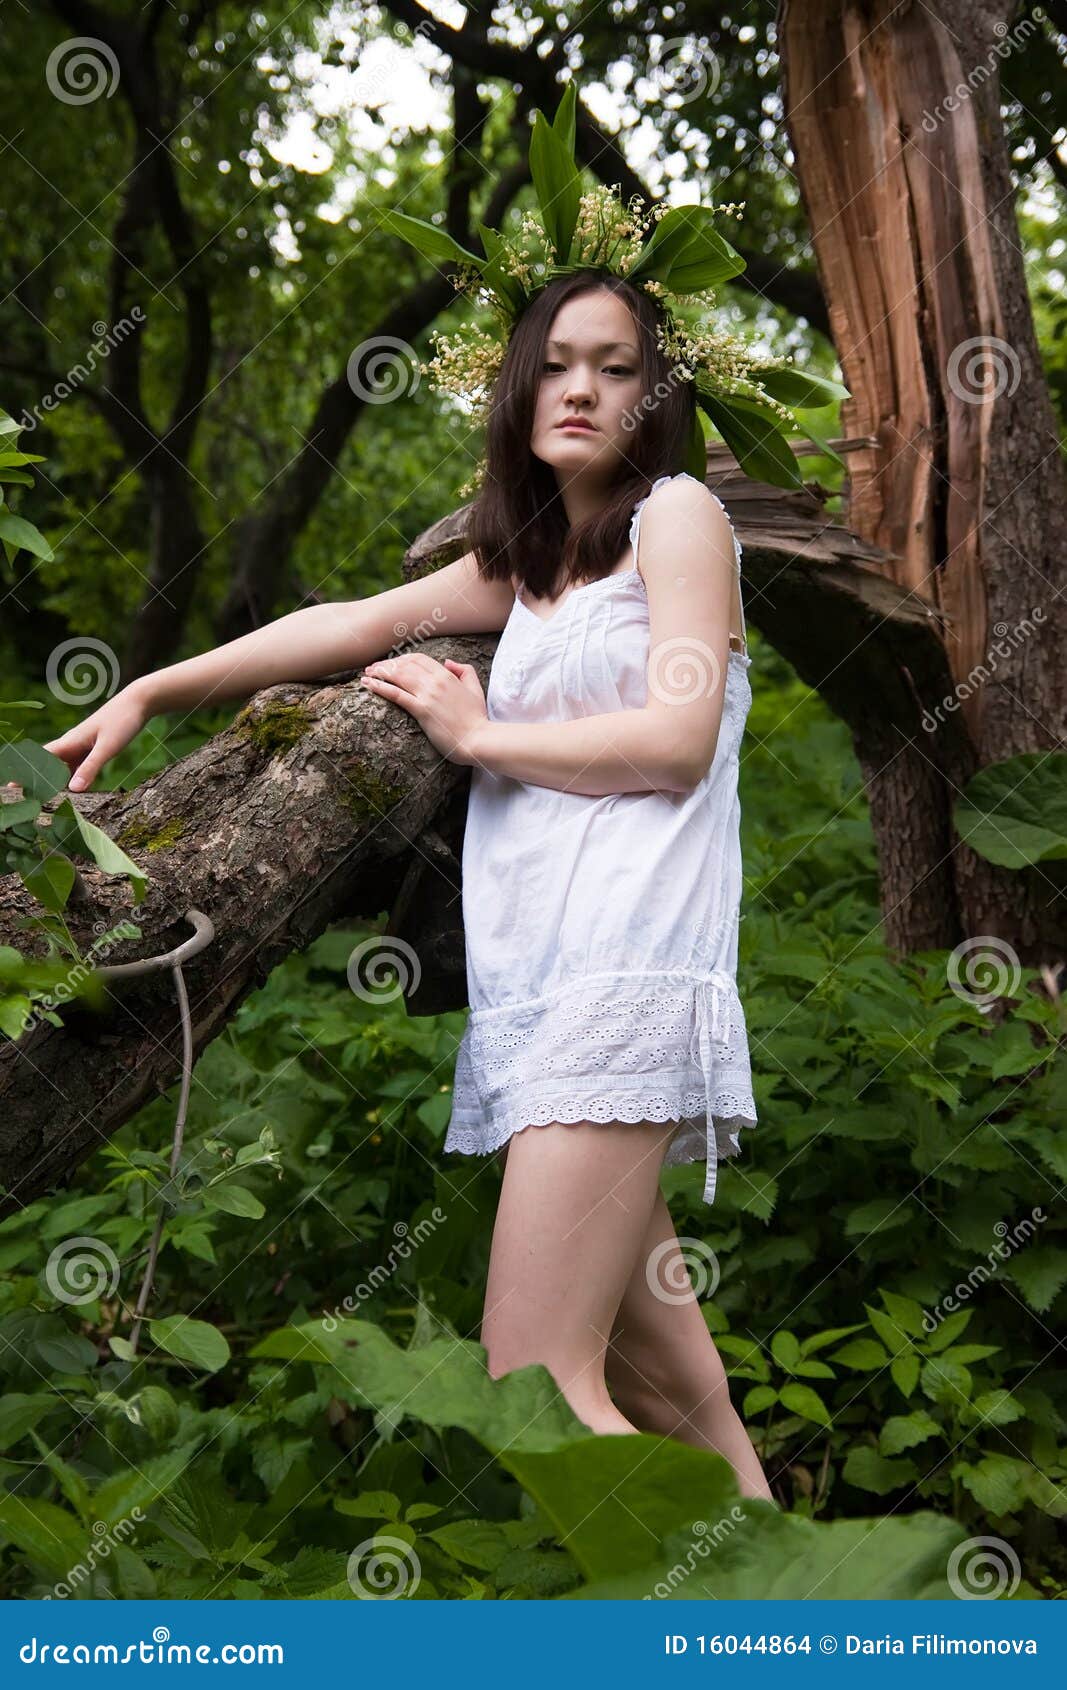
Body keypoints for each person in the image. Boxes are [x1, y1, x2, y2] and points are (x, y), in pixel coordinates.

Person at [43, 88, 844, 1506]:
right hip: (542, 994)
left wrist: (482, 736)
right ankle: (811, 1632)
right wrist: (155, 686)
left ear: (658, 396)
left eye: (614, 365)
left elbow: (670, 738)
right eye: (556, 364)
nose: (582, 388)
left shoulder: (681, 520)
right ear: (520, 390)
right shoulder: (535, 561)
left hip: (620, 974)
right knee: (677, 1391)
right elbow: (352, 617)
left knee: (534, 1377)